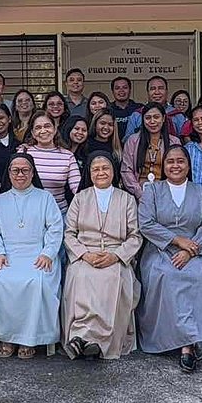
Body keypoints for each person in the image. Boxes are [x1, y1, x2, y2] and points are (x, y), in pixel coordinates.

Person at [137, 146, 202, 372]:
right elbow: (146, 223)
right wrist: (176, 241)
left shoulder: (201, 192)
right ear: (163, 167)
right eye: (170, 162)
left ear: (188, 165)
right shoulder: (152, 191)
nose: (175, 165)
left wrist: (189, 250)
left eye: (180, 161)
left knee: (200, 274)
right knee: (169, 275)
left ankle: (187, 345)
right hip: (160, 249)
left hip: (194, 249)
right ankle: (193, 339)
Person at [0, 154, 63, 359]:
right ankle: (6, 336)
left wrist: (48, 253)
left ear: (33, 173)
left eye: (25, 170)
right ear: (9, 173)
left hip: (38, 253)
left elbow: (55, 229)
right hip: (7, 254)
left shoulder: (45, 198)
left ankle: (29, 338)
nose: (20, 174)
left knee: (36, 282)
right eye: (15, 170)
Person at [62, 151, 142, 359]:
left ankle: (96, 342)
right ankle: (81, 337)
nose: (101, 172)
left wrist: (116, 256)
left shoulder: (127, 199)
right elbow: (69, 234)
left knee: (113, 280)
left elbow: (135, 236)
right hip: (85, 254)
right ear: (89, 173)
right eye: (95, 169)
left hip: (116, 256)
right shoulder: (80, 198)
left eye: (105, 168)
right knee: (81, 276)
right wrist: (84, 255)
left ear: (113, 171)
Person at [18, 112, 81, 214]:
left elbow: (77, 187)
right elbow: (10, 181)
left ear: (55, 129)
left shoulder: (67, 156)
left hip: (59, 213)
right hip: (28, 213)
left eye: (47, 126)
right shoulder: (24, 153)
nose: (43, 130)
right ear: (33, 133)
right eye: (38, 128)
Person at [121, 102, 181, 201]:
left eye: (156, 117)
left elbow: (177, 170)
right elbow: (126, 170)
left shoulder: (174, 142)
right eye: (148, 118)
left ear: (163, 118)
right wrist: (139, 193)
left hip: (167, 196)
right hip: (139, 195)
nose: (152, 121)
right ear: (143, 120)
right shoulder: (133, 141)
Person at [82, 109, 123, 187]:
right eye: (102, 123)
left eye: (110, 124)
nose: (106, 127)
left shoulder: (119, 146)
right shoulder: (85, 144)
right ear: (95, 124)